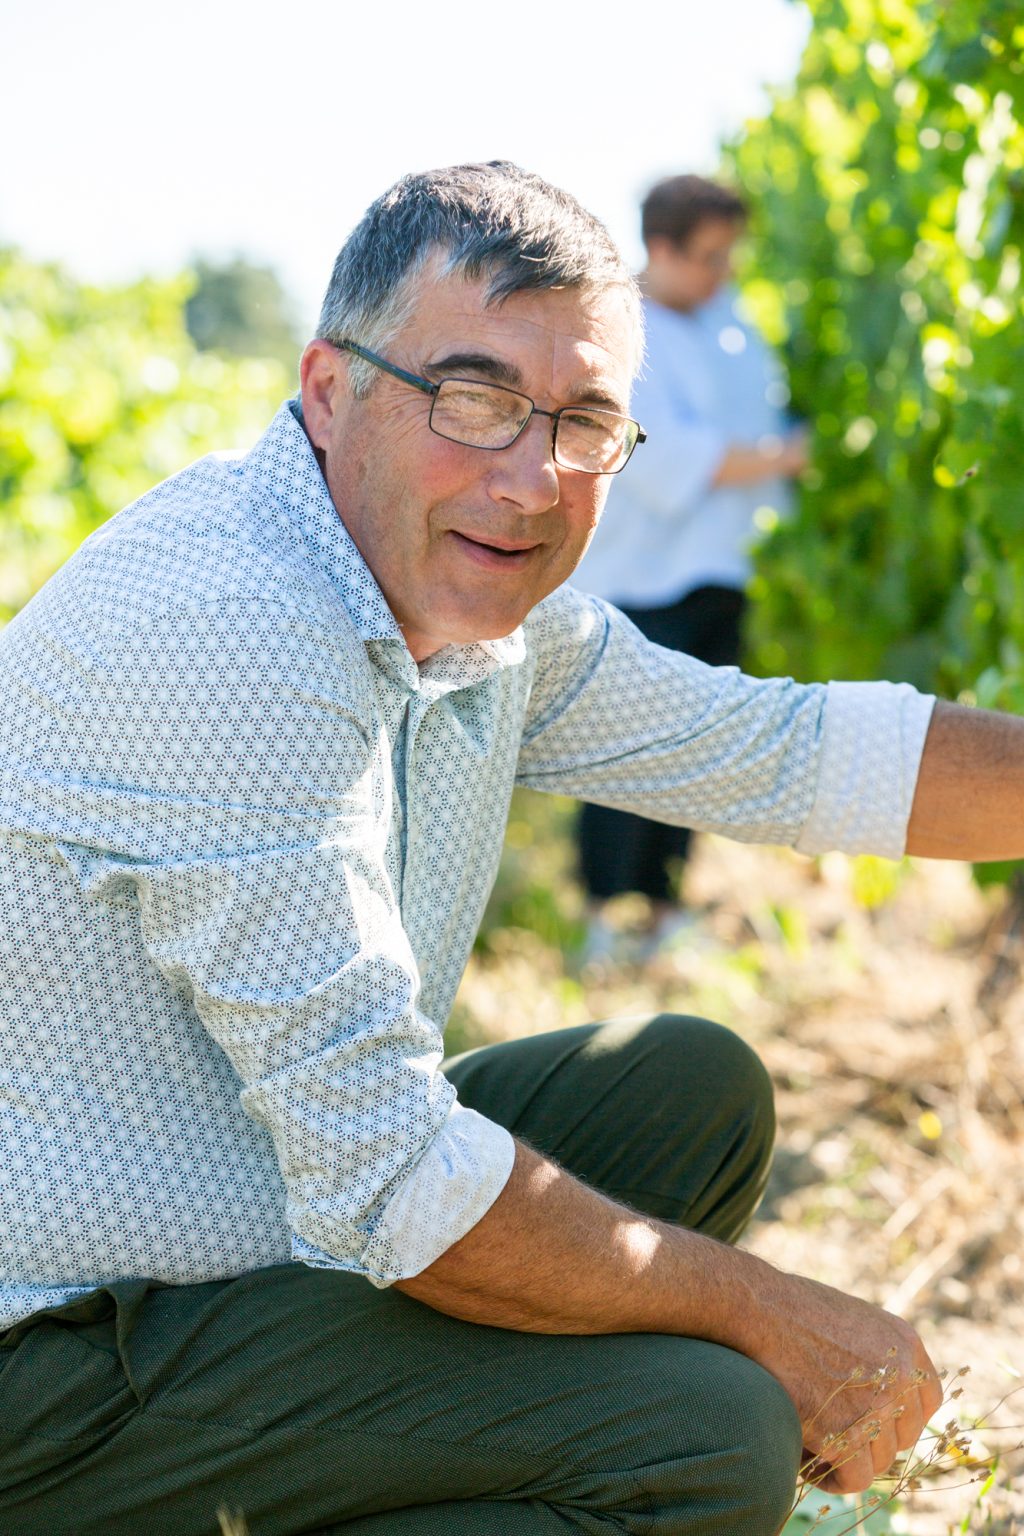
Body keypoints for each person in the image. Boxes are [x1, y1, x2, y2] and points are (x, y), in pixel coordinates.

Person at [1, 160, 1018, 1536]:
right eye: (472, 400)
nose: (533, 479)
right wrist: (771, 1317)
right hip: (53, 1365)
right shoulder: (233, 629)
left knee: (682, 1088)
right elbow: (393, 1179)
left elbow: (785, 751)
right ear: (327, 389)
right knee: (707, 1441)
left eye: (585, 422)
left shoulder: (486, 618)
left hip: (259, 1230)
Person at [573, 174, 809, 950]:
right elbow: (671, 460)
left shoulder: (727, 322)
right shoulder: (620, 334)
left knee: (696, 749)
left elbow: (759, 418)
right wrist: (789, 457)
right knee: (622, 753)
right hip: (640, 578)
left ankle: (668, 914)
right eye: (710, 256)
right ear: (662, 248)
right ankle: (605, 917)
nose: (723, 271)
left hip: (720, 570)